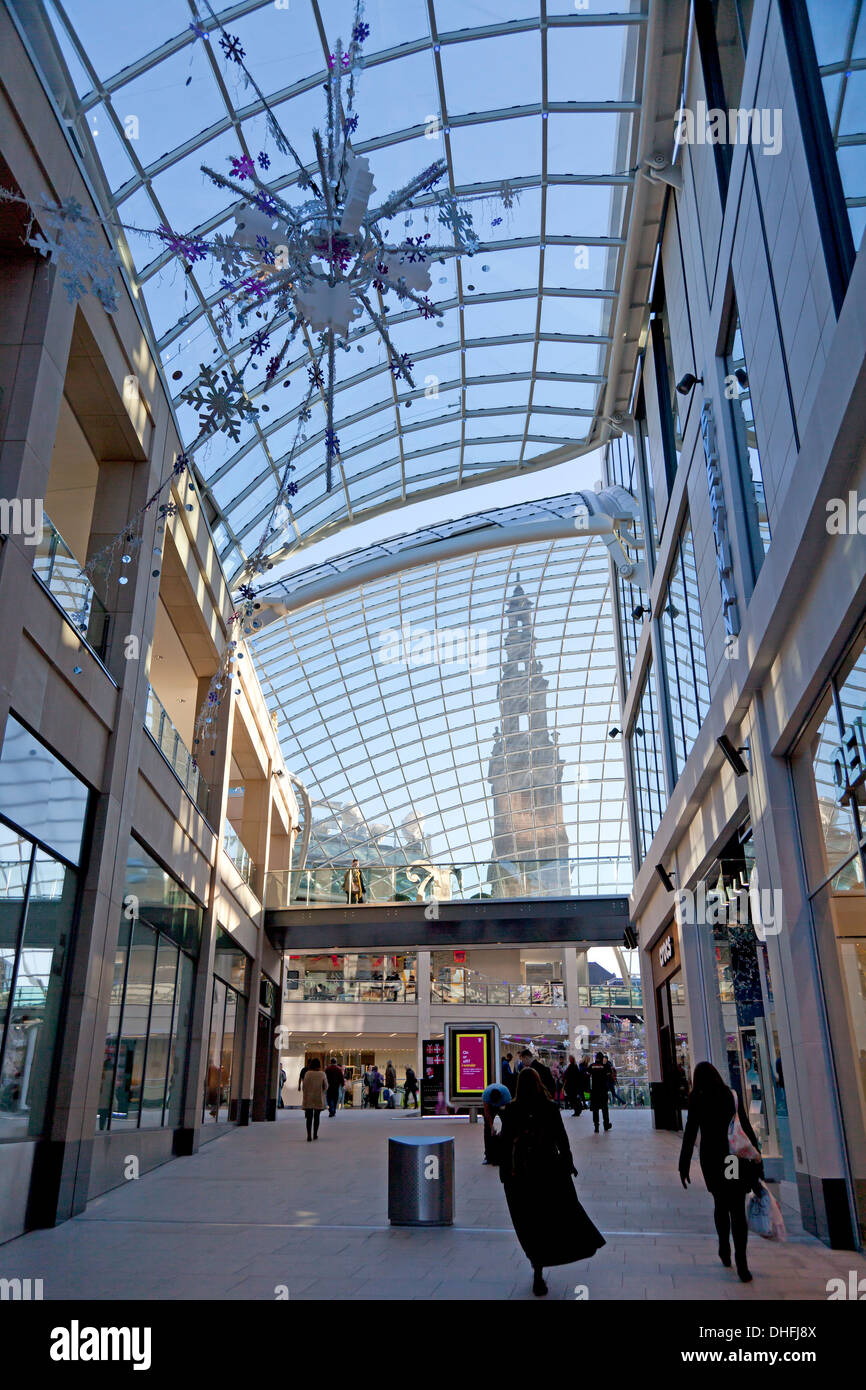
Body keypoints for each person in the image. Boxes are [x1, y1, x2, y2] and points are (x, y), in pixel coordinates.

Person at [498, 1067, 605, 1295]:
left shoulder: (513, 1110)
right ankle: (562, 1251)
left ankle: (537, 1267)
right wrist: (568, 1164)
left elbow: (506, 1144)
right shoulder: (549, 1108)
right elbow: (561, 1139)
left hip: (523, 1176)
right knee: (552, 1216)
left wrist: (505, 1172)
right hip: (548, 1170)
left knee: (530, 1221)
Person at [679, 1061, 763, 1282]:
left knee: (720, 1202)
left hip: (711, 1158)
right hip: (731, 1158)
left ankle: (724, 1246)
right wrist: (756, 1155)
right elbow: (743, 1126)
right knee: (736, 1206)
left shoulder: (697, 1097)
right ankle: (742, 1262)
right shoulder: (729, 1095)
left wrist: (684, 1163)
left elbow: (690, 1131)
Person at [481, 1080, 512, 1165]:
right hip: (491, 1107)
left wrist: (503, 1130)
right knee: (487, 1129)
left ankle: (505, 1153)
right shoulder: (486, 1095)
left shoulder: (506, 1095)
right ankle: (488, 1155)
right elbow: (487, 1113)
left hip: (503, 1107)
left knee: (508, 1128)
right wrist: (491, 1127)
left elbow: (509, 1115)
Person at [301, 1057, 327, 1141]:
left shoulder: (307, 1073)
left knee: (309, 1117)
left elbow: (304, 1086)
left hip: (309, 1097)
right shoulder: (322, 1074)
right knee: (317, 1117)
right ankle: (315, 1134)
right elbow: (326, 1086)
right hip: (318, 1097)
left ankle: (309, 1135)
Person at [589, 1052, 613, 1132]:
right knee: (604, 1108)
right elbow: (610, 1075)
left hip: (595, 1091)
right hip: (603, 1090)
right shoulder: (605, 1066)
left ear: (596, 1058)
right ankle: (606, 1124)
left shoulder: (592, 1066)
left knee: (595, 1109)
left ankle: (596, 1126)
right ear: (602, 1058)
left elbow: (587, 1074)